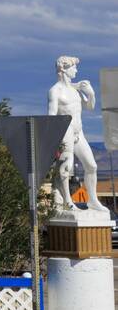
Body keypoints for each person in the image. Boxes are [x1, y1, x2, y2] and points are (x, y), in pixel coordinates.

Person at [48, 56, 108, 216]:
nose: (76, 70)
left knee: (92, 166)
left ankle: (93, 200)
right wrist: (55, 139)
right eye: (73, 67)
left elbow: (89, 106)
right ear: (63, 69)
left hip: (78, 132)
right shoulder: (55, 91)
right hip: (65, 130)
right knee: (65, 168)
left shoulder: (75, 89)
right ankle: (67, 201)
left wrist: (91, 94)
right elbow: (51, 115)